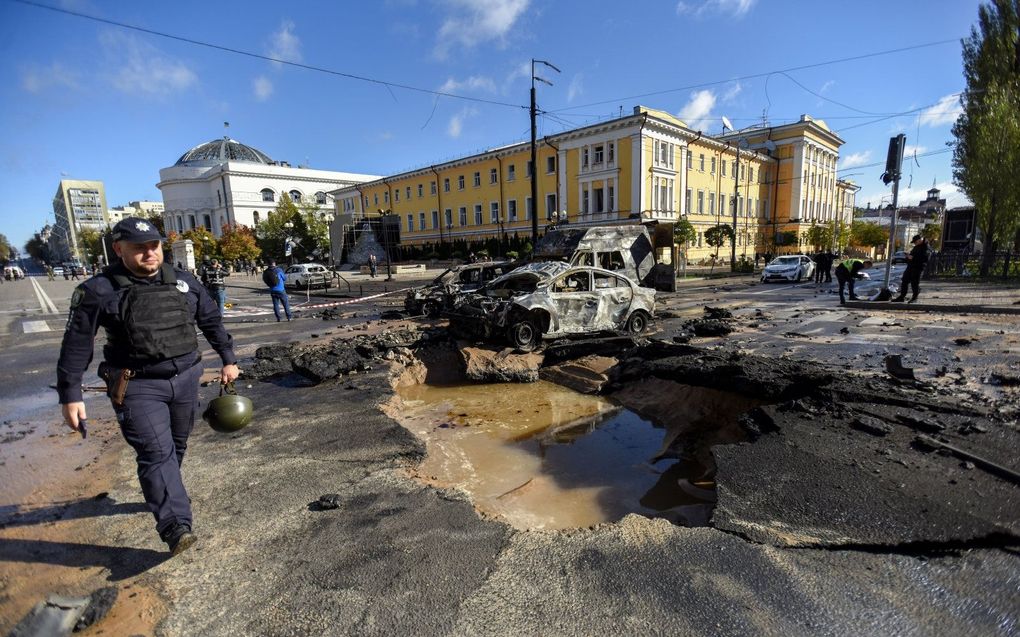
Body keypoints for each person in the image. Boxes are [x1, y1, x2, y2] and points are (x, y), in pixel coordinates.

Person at [56, 217, 239, 556]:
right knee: (156, 452)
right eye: (138, 248)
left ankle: (164, 491)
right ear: (118, 249)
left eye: (153, 245)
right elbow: (77, 343)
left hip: (186, 380)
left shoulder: (184, 282)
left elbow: (211, 321)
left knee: (176, 446)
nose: (149, 253)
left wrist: (228, 358)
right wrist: (71, 393)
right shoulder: (98, 290)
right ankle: (175, 526)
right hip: (137, 385)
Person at [892, 235, 930, 303]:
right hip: (911, 266)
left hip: (918, 267)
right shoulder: (916, 247)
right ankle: (902, 296)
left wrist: (912, 258)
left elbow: (925, 259)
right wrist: (908, 257)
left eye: (915, 242)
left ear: (919, 240)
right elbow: (912, 255)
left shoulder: (925, 247)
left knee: (914, 282)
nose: (914, 243)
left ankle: (914, 298)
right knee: (904, 280)